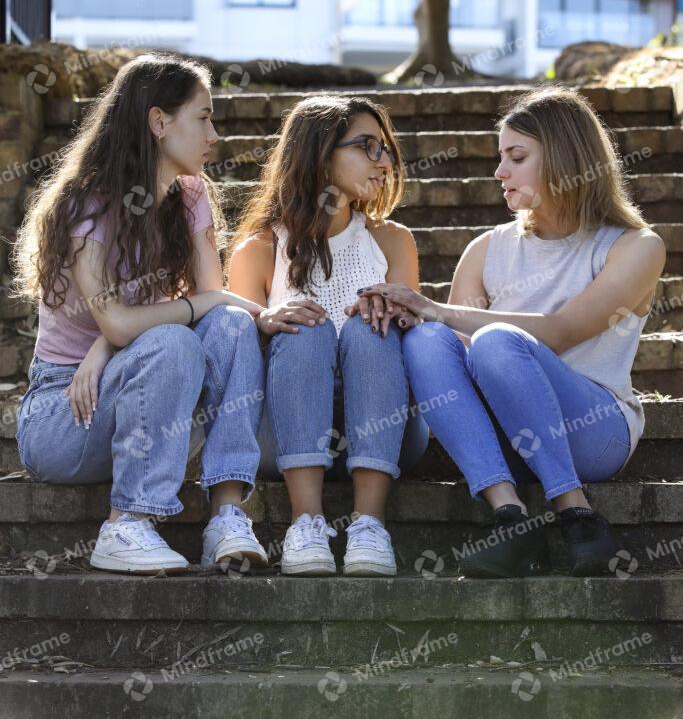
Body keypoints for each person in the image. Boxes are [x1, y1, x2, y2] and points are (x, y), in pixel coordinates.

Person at [357, 86, 665, 578]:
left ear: (567, 158)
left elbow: (562, 332)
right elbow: (453, 361)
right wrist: (413, 315)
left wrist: (435, 307)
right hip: (500, 441)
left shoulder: (635, 247)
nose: (499, 172)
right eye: (501, 157)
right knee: (426, 338)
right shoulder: (486, 250)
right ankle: (510, 517)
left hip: (592, 432)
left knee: (495, 339)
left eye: (516, 157)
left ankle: (575, 511)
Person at [12, 53, 271, 575]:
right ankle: (127, 522)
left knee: (233, 324)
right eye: (203, 117)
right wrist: (112, 338)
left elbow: (209, 310)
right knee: (174, 341)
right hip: (67, 414)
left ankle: (225, 513)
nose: (214, 134)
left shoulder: (191, 194)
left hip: (152, 398)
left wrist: (107, 346)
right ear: (158, 122)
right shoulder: (85, 205)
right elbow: (122, 319)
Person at [228, 95, 430, 576]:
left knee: (370, 322)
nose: (383, 162)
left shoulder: (393, 241)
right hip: (283, 433)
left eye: (385, 149)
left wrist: (397, 314)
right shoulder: (259, 250)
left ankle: (368, 525)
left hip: (385, 431)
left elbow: (417, 347)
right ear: (319, 153)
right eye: (367, 147)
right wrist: (266, 322)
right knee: (303, 324)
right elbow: (236, 363)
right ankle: (306, 524)